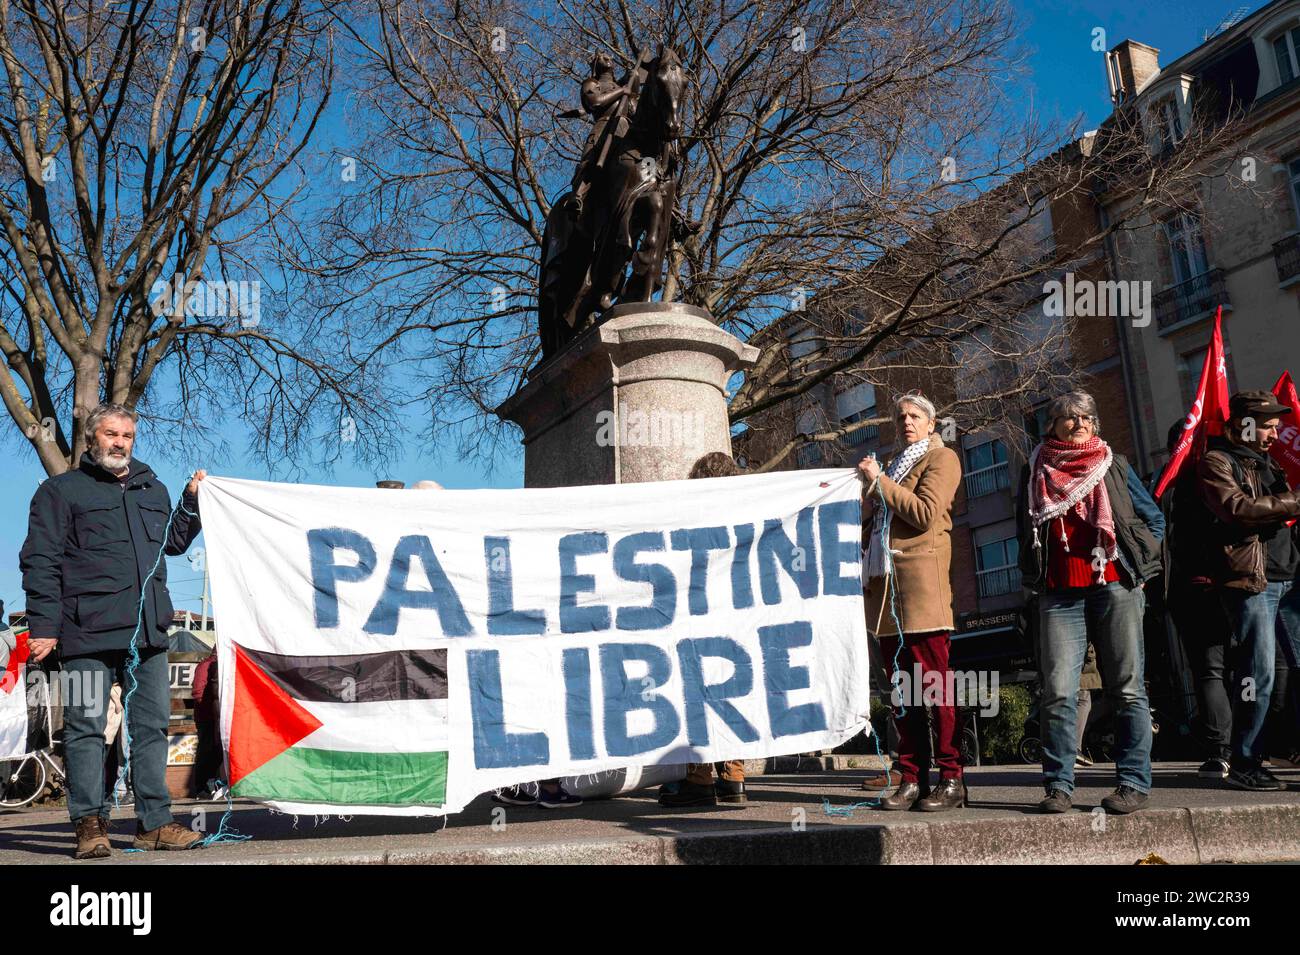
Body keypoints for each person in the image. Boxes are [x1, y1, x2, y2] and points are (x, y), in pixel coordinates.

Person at [19, 403, 206, 858]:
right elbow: (40, 561)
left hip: (148, 639)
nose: (120, 443)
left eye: (127, 436)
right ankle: (89, 824)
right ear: (91, 439)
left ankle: (154, 824)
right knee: (85, 728)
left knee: (152, 729)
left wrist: (191, 502)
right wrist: (44, 625)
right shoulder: (60, 492)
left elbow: (173, 542)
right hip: (84, 636)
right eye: (111, 434)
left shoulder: (153, 488)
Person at [1016, 391, 1164, 814]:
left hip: (1115, 586)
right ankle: (1059, 786)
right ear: (1052, 426)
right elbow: (1022, 532)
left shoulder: (1113, 464)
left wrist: (1139, 570)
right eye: (1068, 417)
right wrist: (1034, 582)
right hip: (1059, 593)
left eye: (1086, 417)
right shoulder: (1034, 468)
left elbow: (1152, 518)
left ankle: (1132, 784)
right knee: (1059, 691)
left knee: (1127, 689)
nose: (1078, 423)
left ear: (1095, 425)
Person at [858, 392, 964, 811]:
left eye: (915, 415)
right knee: (903, 695)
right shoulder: (893, 468)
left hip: (921, 592)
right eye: (900, 415)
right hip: (887, 593)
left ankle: (952, 778)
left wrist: (878, 483)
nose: (906, 421)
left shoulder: (942, 459)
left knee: (935, 690)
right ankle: (912, 777)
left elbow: (923, 513)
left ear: (931, 424)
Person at [1193, 390, 1300, 791]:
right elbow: (1237, 510)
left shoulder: (1271, 463)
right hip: (1254, 582)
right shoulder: (1216, 462)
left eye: (1277, 425)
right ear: (1245, 423)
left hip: (1291, 579)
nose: (1275, 433)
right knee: (1258, 674)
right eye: (1269, 425)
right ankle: (1245, 761)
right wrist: (1295, 500)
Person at [660, 451, 748, 808]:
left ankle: (699, 778)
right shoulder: (748, 512)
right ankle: (734, 778)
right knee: (732, 691)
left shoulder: (693, 515)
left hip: (701, 615)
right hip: (738, 617)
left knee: (698, 688)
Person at [1160, 420, 1237, 779]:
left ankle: (1222, 750)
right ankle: (1250, 746)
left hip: (1191, 588)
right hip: (1227, 585)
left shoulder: (1165, 486)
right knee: (1245, 668)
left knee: (1211, 671)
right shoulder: (1223, 474)